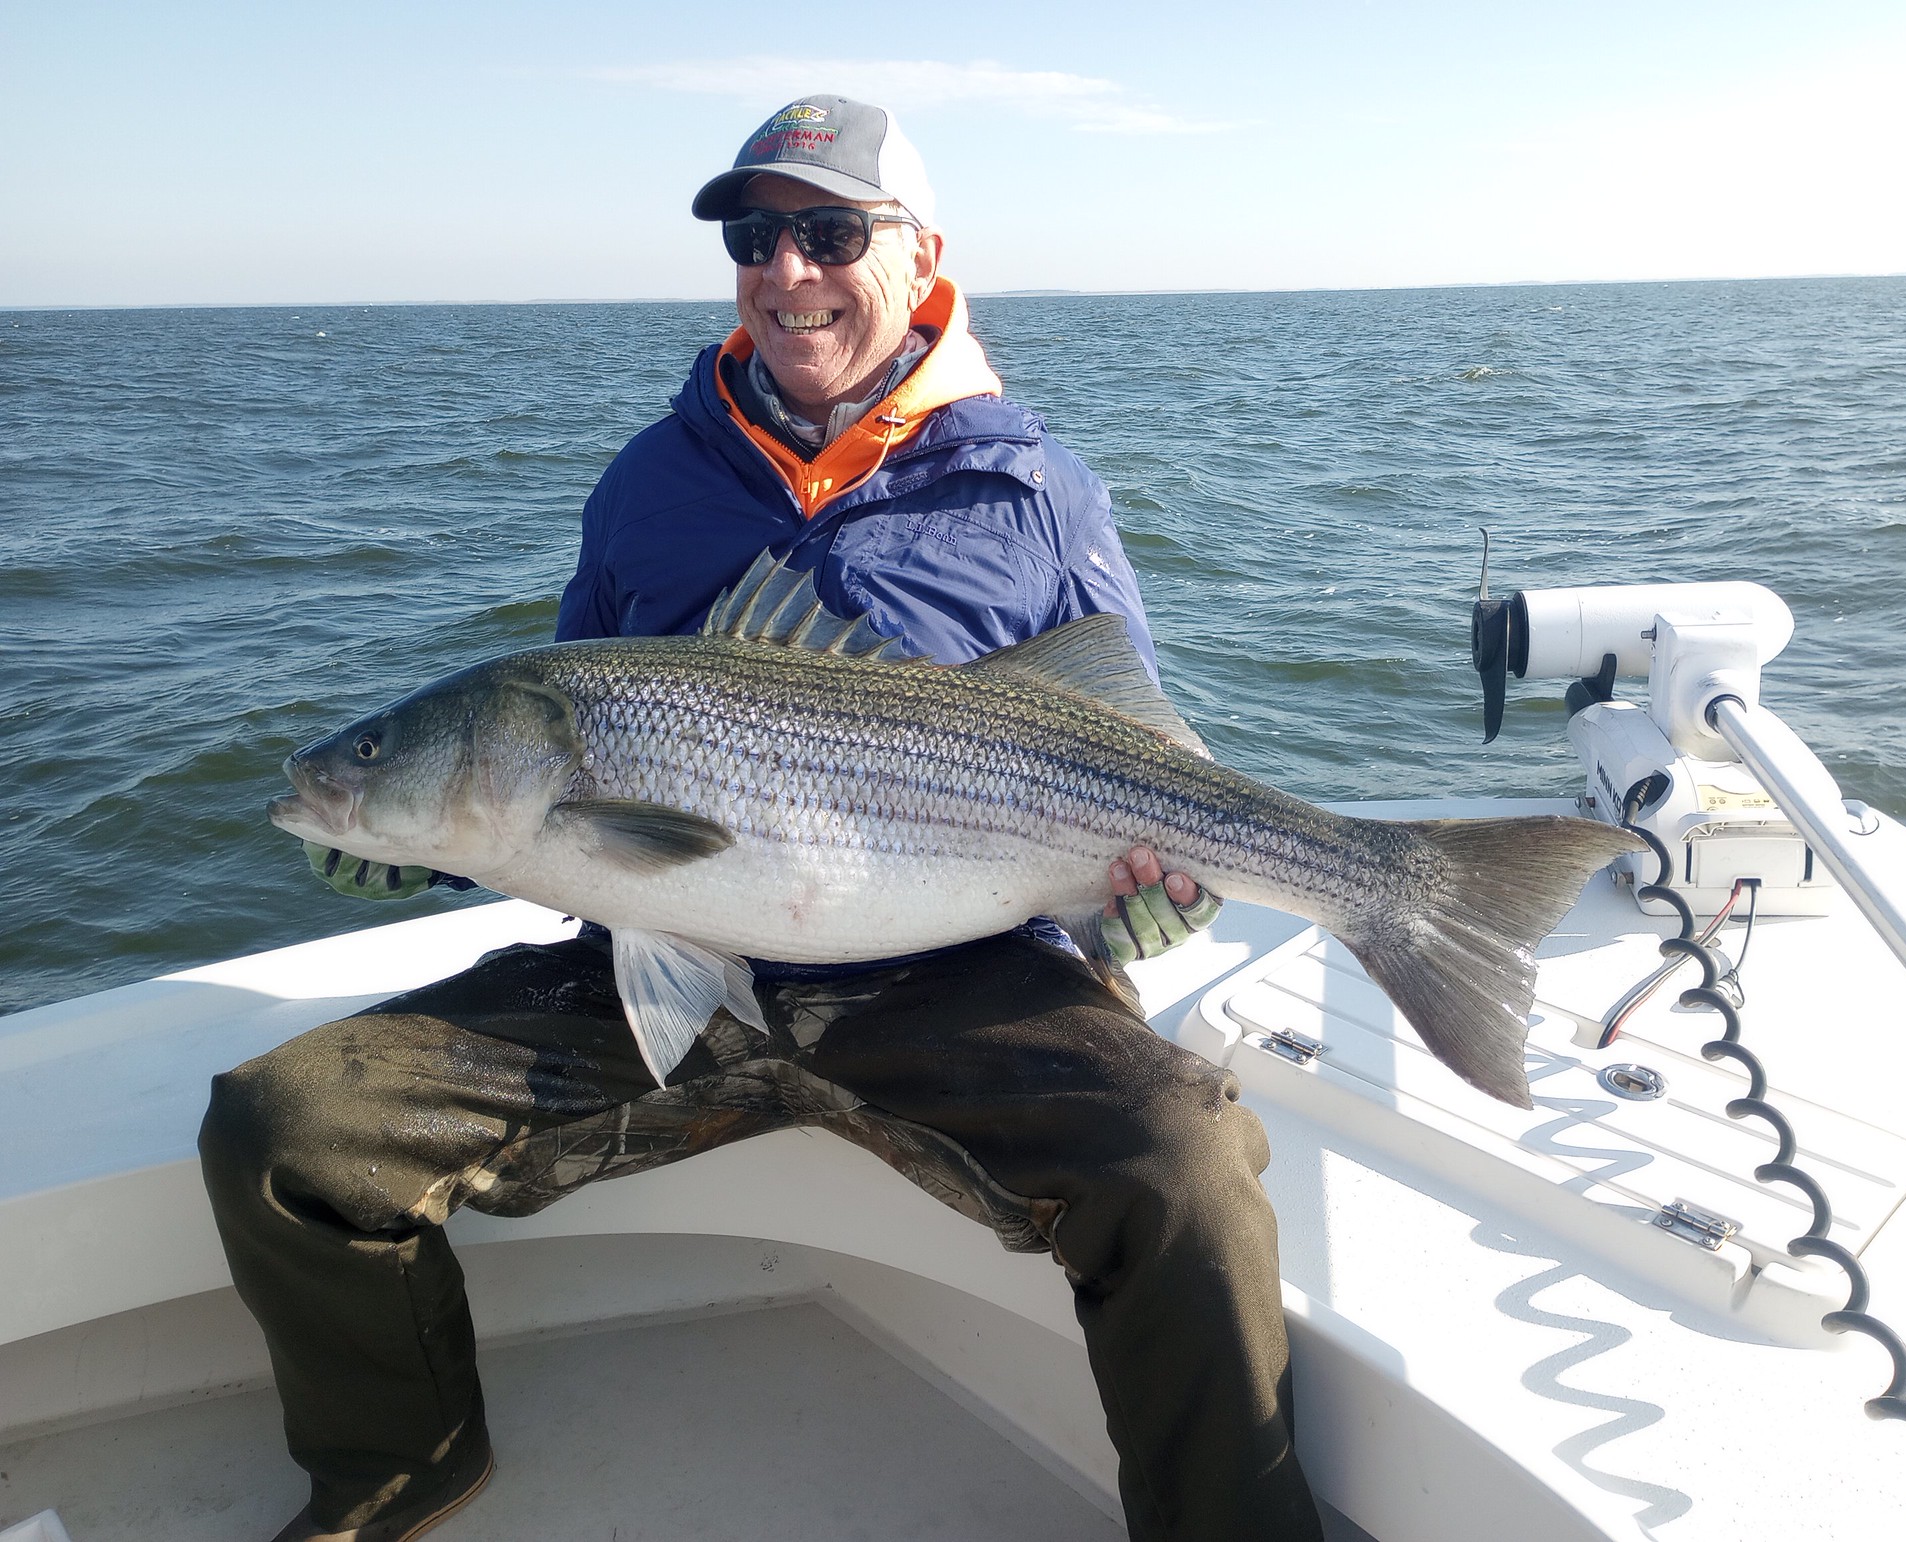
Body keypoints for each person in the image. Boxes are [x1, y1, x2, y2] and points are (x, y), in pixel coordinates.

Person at [200, 95, 1324, 1542]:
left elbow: (1143, 745)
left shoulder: (1040, 495)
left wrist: (1153, 892)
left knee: (1184, 1164)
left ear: (921, 257)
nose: (788, 273)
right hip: (655, 961)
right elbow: (541, 796)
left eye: (831, 233)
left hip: (957, 974)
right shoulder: (649, 485)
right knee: (284, 1127)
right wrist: (405, 831)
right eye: (755, 238)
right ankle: (402, 1463)